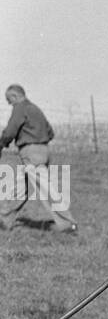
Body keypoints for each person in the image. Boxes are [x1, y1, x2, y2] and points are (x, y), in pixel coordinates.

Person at [0, 85, 77, 233]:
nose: (9, 104)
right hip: (44, 150)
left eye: (9, 100)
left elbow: (10, 130)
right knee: (23, 188)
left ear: (15, 96)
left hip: (31, 152)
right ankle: (5, 219)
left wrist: (2, 143)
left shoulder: (20, 107)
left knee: (45, 188)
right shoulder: (35, 109)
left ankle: (67, 223)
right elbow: (50, 132)